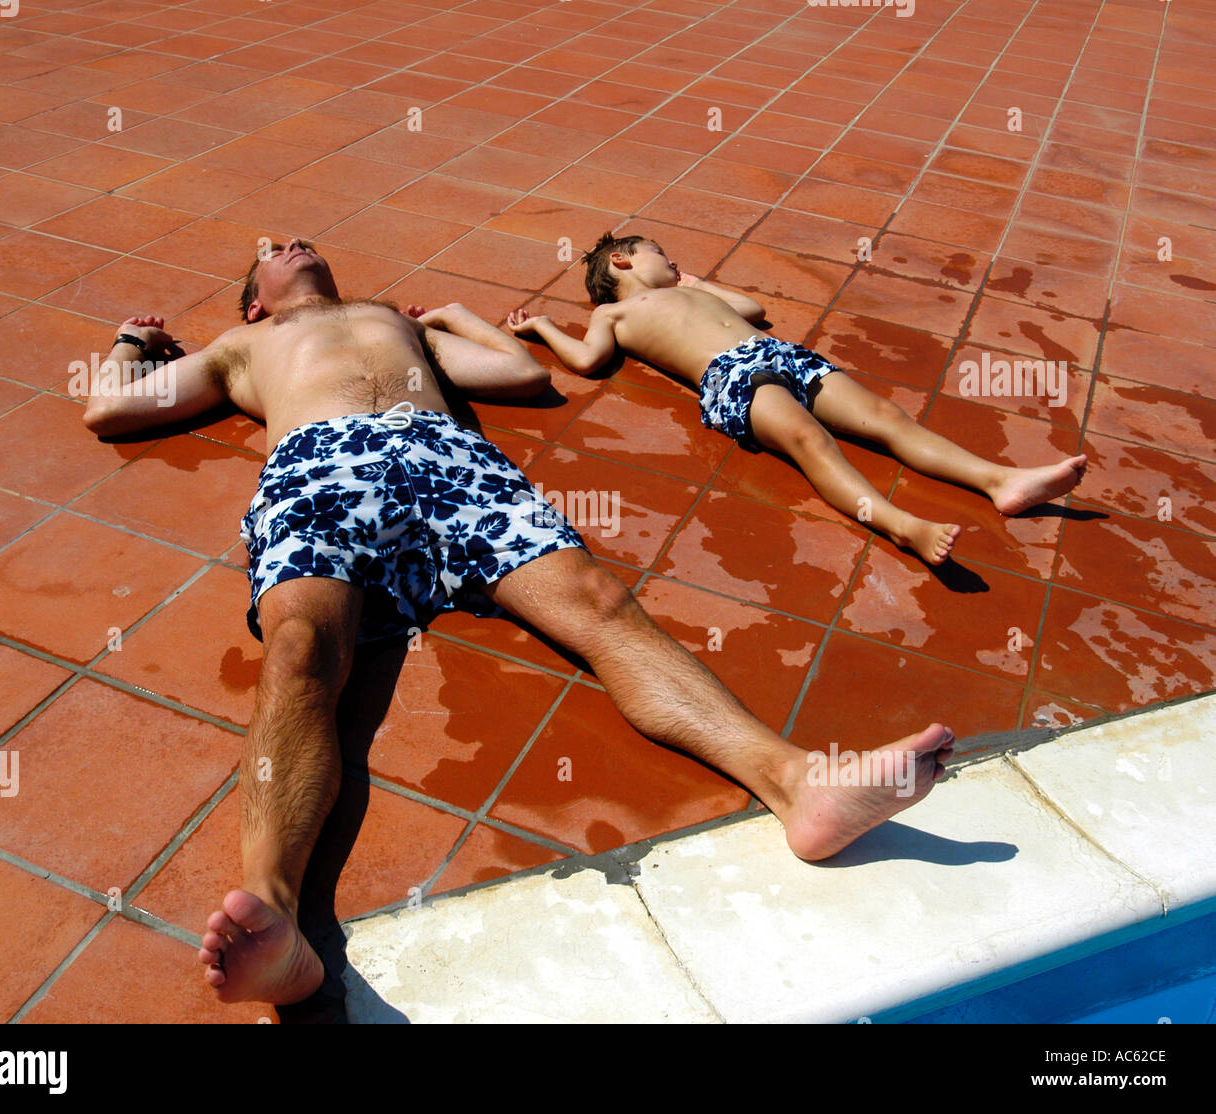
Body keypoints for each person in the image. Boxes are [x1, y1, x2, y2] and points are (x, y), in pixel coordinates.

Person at [81, 238, 956, 1006]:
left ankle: (798, 783)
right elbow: (108, 409)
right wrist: (131, 341)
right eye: (270, 249)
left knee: (602, 605)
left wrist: (454, 322)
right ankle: (275, 914)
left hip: (453, 458)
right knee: (304, 651)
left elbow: (522, 375)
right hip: (322, 468)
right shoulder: (242, 346)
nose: (290, 242)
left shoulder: (396, 319)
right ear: (254, 298)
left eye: (298, 239)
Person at [507, 232, 1088, 566]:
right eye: (662, 252)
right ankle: (896, 522)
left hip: (782, 354)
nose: (675, 261)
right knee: (812, 442)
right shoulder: (616, 312)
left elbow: (752, 311)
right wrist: (542, 328)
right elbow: (588, 360)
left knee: (887, 417)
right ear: (624, 260)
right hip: (732, 378)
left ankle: (1000, 480)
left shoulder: (690, 293)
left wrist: (696, 283)